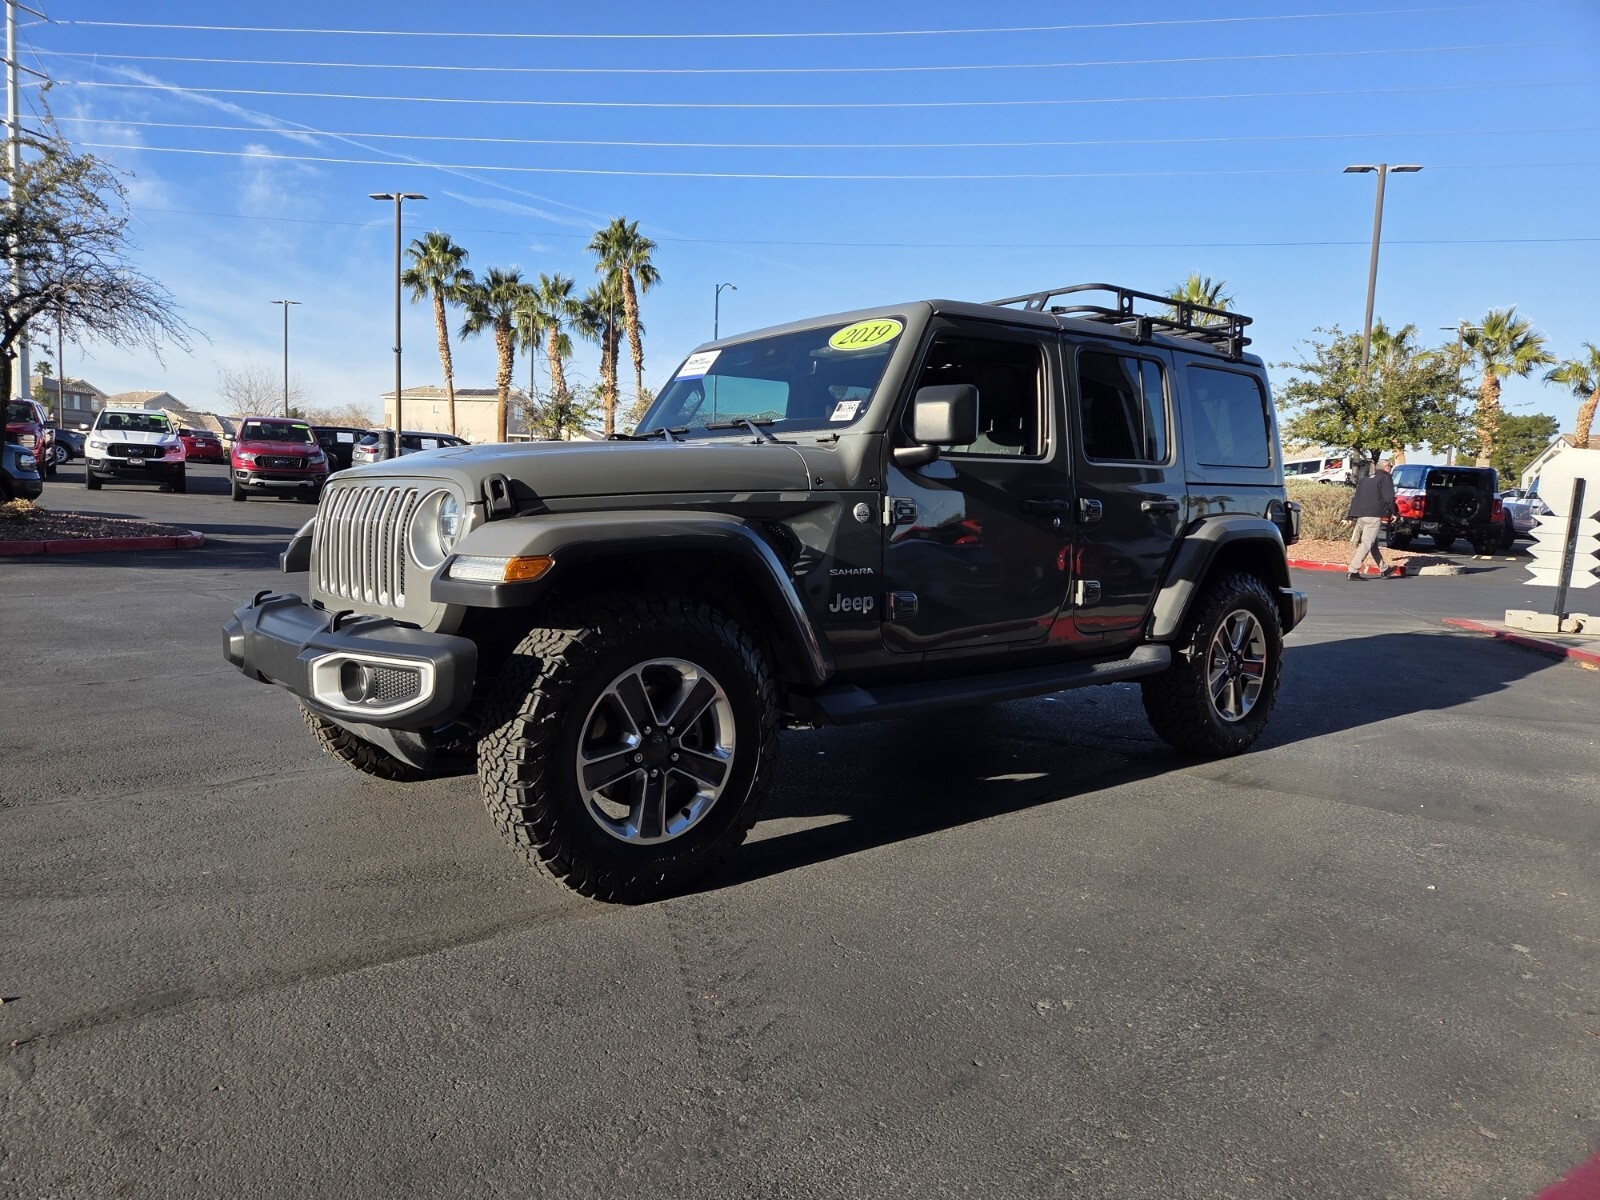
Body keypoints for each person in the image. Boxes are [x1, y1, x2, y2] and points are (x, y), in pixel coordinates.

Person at [1345, 459, 1401, 579]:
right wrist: (1394, 513)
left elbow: (1356, 498)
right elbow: (1389, 497)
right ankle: (1353, 570)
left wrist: (1351, 515)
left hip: (1362, 515)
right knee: (1367, 543)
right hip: (1374, 516)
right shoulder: (1386, 478)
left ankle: (1384, 569)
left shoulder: (1365, 479)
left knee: (1373, 544)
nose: (1391, 468)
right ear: (1385, 467)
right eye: (1390, 466)